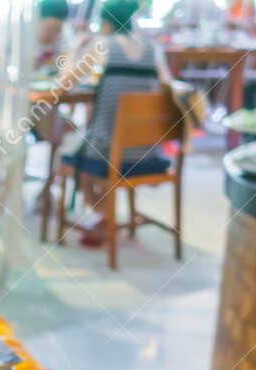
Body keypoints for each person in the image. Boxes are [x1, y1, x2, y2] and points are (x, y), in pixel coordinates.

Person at [57, 0, 180, 247]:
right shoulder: (153, 49)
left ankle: (104, 215)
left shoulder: (102, 46)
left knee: (65, 155)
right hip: (148, 153)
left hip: (109, 154)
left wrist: (72, 51)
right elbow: (171, 91)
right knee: (96, 144)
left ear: (105, 23)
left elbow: (64, 84)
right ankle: (106, 219)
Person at [36, 0, 74, 71]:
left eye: (57, 29)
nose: (53, 34)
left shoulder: (66, 32)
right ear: (39, 21)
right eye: (49, 29)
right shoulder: (27, 33)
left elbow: (68, 63)